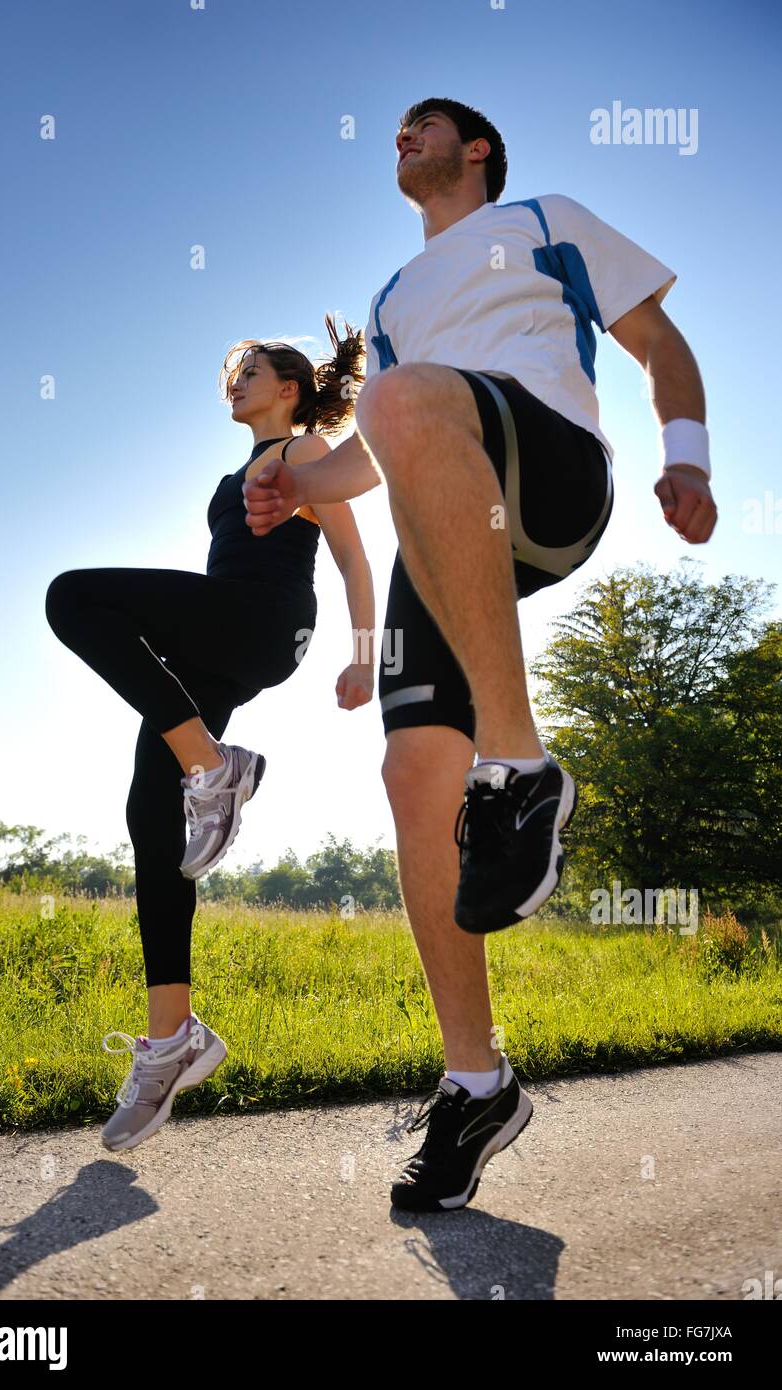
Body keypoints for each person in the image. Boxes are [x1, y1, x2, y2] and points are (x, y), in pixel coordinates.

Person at [242, 99, 718, 1211]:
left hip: (546, 473)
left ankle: (521, 764)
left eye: (422, 127)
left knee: (408, 396)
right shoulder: (391, 300)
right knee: (411, 779)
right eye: (394, 131)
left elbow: (658, 343)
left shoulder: (547, 219)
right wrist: (293, 485)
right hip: (441, 510)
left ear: (478, 152)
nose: (399, 138)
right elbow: (374, 449)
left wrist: (686, 460)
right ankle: (476, 1081)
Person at [44, 314, 375, 1152]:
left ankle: (213, 766)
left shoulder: (301, 454)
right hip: (222, 638)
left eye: (252, 371)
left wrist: (366, 655)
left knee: (73, 596)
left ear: (290, 391)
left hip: (262, 625)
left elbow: (353, 558)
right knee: (152, 822)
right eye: (235, 373)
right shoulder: (236, 473)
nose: (237, 382)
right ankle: (172, 1041)